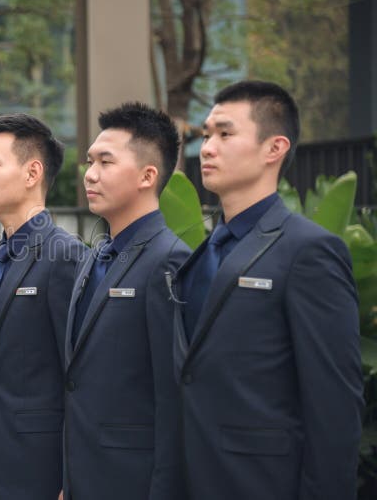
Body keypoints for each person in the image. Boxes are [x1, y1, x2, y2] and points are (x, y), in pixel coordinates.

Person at [171, 80, 363, 499]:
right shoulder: (199, 255)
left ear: (274, 148)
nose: (206, 148)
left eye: (225, 133)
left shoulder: (309, 251)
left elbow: (334, 409)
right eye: (206, 136)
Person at [62, 103, 190, 500]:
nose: (90, 174)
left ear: (147, 176)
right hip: (84, 477)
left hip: (132, 481)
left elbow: (175, 399)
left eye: (105, 161)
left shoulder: (169, 259)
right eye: (89, 161)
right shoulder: (95, 256)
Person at [0, 113, 86, 499]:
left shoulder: (65, 256)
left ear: (32, 172)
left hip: (40, 472)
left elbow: (78, 379)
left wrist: (69, 480)